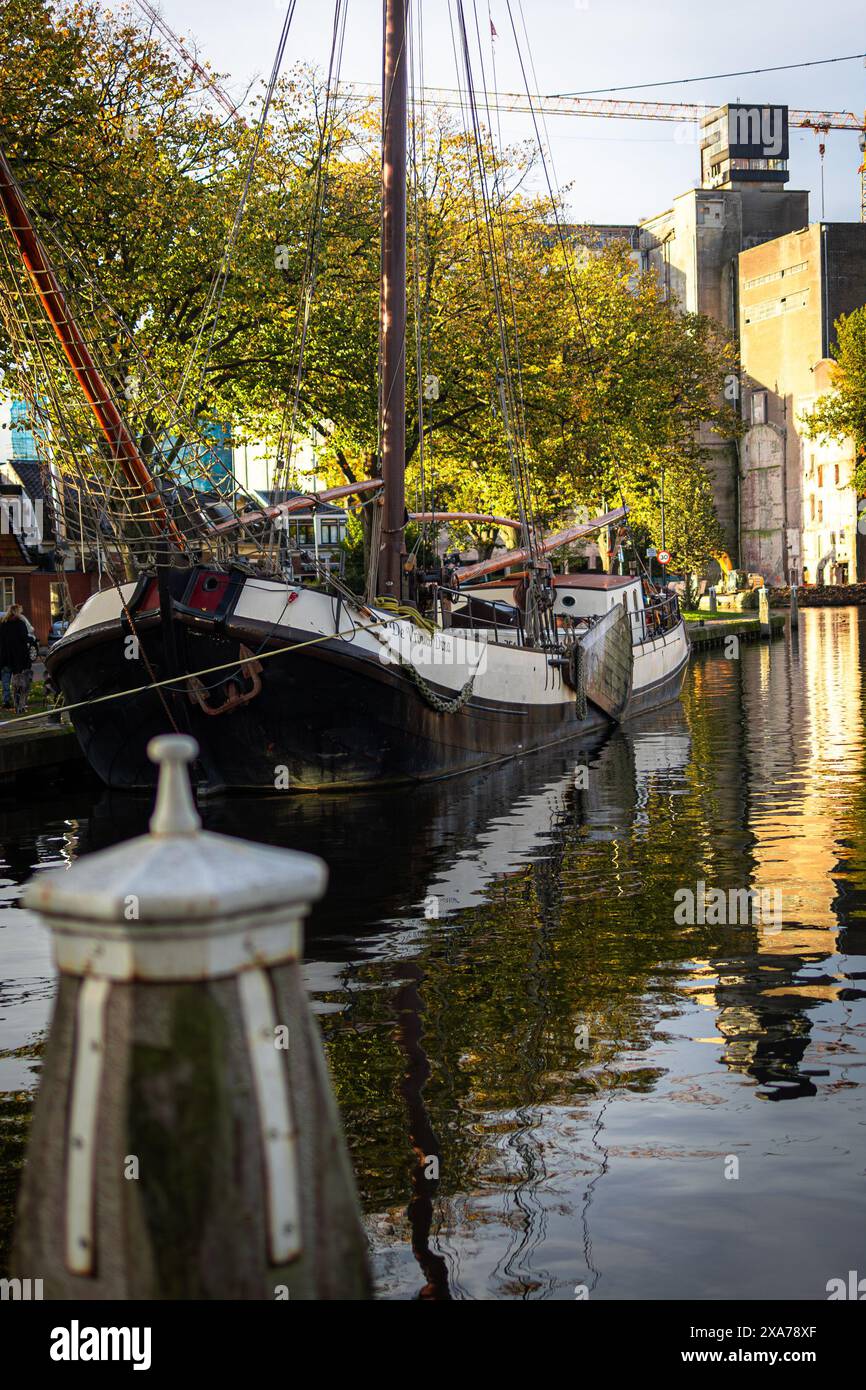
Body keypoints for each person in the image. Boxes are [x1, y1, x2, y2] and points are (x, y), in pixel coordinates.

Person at [0, 604, 38, 715]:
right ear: (17, 612)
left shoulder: (3, 624)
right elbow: (24, 637)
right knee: (18, 681)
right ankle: (18, 702)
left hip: (5, 656)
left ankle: (6, 700)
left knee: (6, 679)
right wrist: (32, 640)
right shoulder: (20, 624)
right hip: (17, 657)